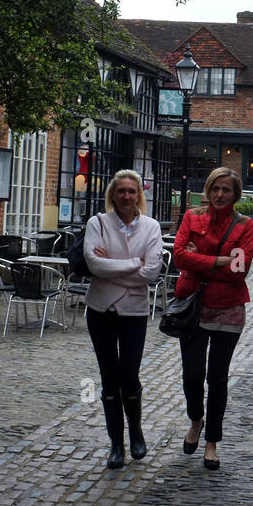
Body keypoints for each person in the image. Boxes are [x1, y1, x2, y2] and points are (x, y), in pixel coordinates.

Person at [172, 167, 253, 471]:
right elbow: (179, 256)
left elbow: (239, 270)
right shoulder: (192, 217)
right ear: (207, 190)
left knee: (217, 378)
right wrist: (220, 259)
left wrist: (201, 260)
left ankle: (212, 441)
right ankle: (196, 418)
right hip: (193, 308)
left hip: (228, 309)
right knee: (192, 374)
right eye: (215, 189)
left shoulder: (245, 225)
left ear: (235, 194)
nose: (220, 195)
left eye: (226, 190)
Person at [83, 169, 165, 469]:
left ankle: (136, 432)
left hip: (134, 312)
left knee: (129, 375)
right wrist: (133, 264)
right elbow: (94, 264)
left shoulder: (152, 227)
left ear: (139, 195)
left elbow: (152, 272)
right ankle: (116, 444)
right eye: (122, 191)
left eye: (132, 191)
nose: (127, 196)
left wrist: (112, 268)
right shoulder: (98, 223)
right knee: (108, 378)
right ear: (113, 195)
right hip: (101, 311)